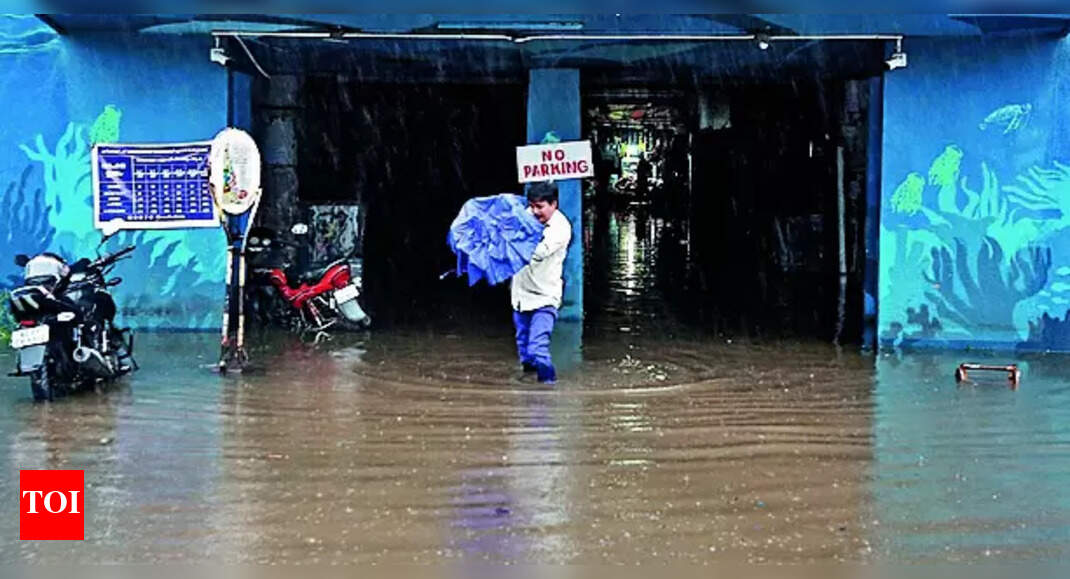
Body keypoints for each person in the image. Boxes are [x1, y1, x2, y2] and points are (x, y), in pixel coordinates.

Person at [511, 181, 572, 384]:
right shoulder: (524, 215)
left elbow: (537, 253)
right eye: (532, 206)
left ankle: (548, 389)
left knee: (537, 349)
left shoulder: (560, 228)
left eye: (540, 206)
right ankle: (528, 390)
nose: (535, 211)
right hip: (520, 295)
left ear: (553, 204)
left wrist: (511, 238)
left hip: (544, 298)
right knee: (525, 353)